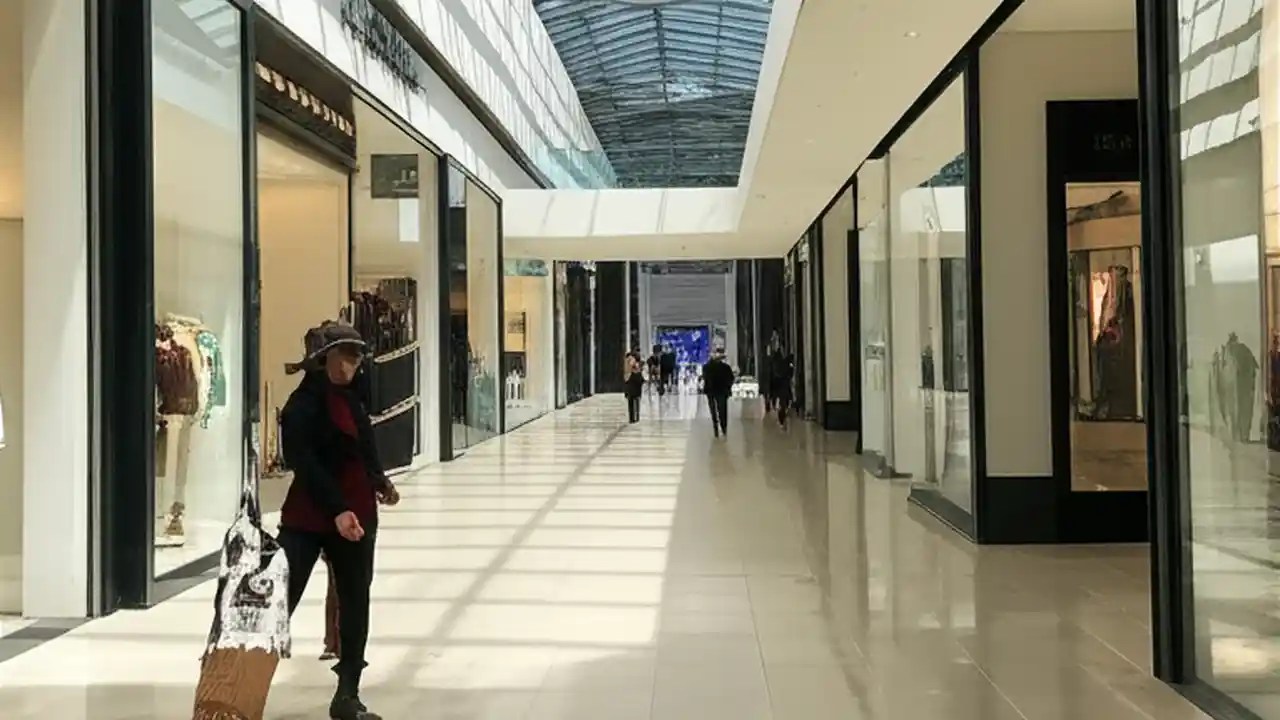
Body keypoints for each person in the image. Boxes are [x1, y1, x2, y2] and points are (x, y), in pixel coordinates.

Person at [278, 320, 400, 720]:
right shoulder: (301, 406)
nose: (353, 363)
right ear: (324, 358)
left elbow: (365, 441)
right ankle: (240, 682)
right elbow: (304, 463)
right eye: (345, 355)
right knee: (280, 599)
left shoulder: (350, 399)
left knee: (354, 600)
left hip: (357, 514)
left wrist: (379, 480)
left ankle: (348, 693)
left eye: (356, 356)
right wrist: (336, 508)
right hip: (310, 514)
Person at [702, 347, 735, 438]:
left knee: (714, 411)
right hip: (721, 391)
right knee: (722, 410)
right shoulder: (726, 368)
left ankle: (716, 429)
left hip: (711, 391)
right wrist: (728, 387)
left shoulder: (707, 367)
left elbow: (706, 379)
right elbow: (731, 379)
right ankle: (723, 428)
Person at [772, 351, 796, 428]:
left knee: (783, 404)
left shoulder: (775, 366)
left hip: (779, 388)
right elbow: (790, 373)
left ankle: (782, 419)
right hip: (784, 387)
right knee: (784, 404)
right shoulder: (786, 365)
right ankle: (783, 418)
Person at [624, 351, 644, 423]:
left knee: (631, 400)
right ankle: (636, 416)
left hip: (630, 381)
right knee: (636, 399)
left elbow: (627, 372)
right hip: (634, 381)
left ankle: (632, 418)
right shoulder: (635, 362)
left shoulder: (628, 361)